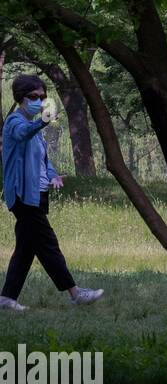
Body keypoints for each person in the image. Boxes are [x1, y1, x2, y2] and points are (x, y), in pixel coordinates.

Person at [0, 75, 104, 311]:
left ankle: (6, 298)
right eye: (33, 97)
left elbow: (43, 159)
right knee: (48, 243)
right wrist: (45, 120)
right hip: (23, 197)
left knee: (26, 248)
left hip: (39, 194)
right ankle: (75, 293)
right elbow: (22, 133)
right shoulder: (15, 122)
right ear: (20, 98)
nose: (39, 101)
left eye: (42, 97)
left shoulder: (36, 129)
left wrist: (53, 175)